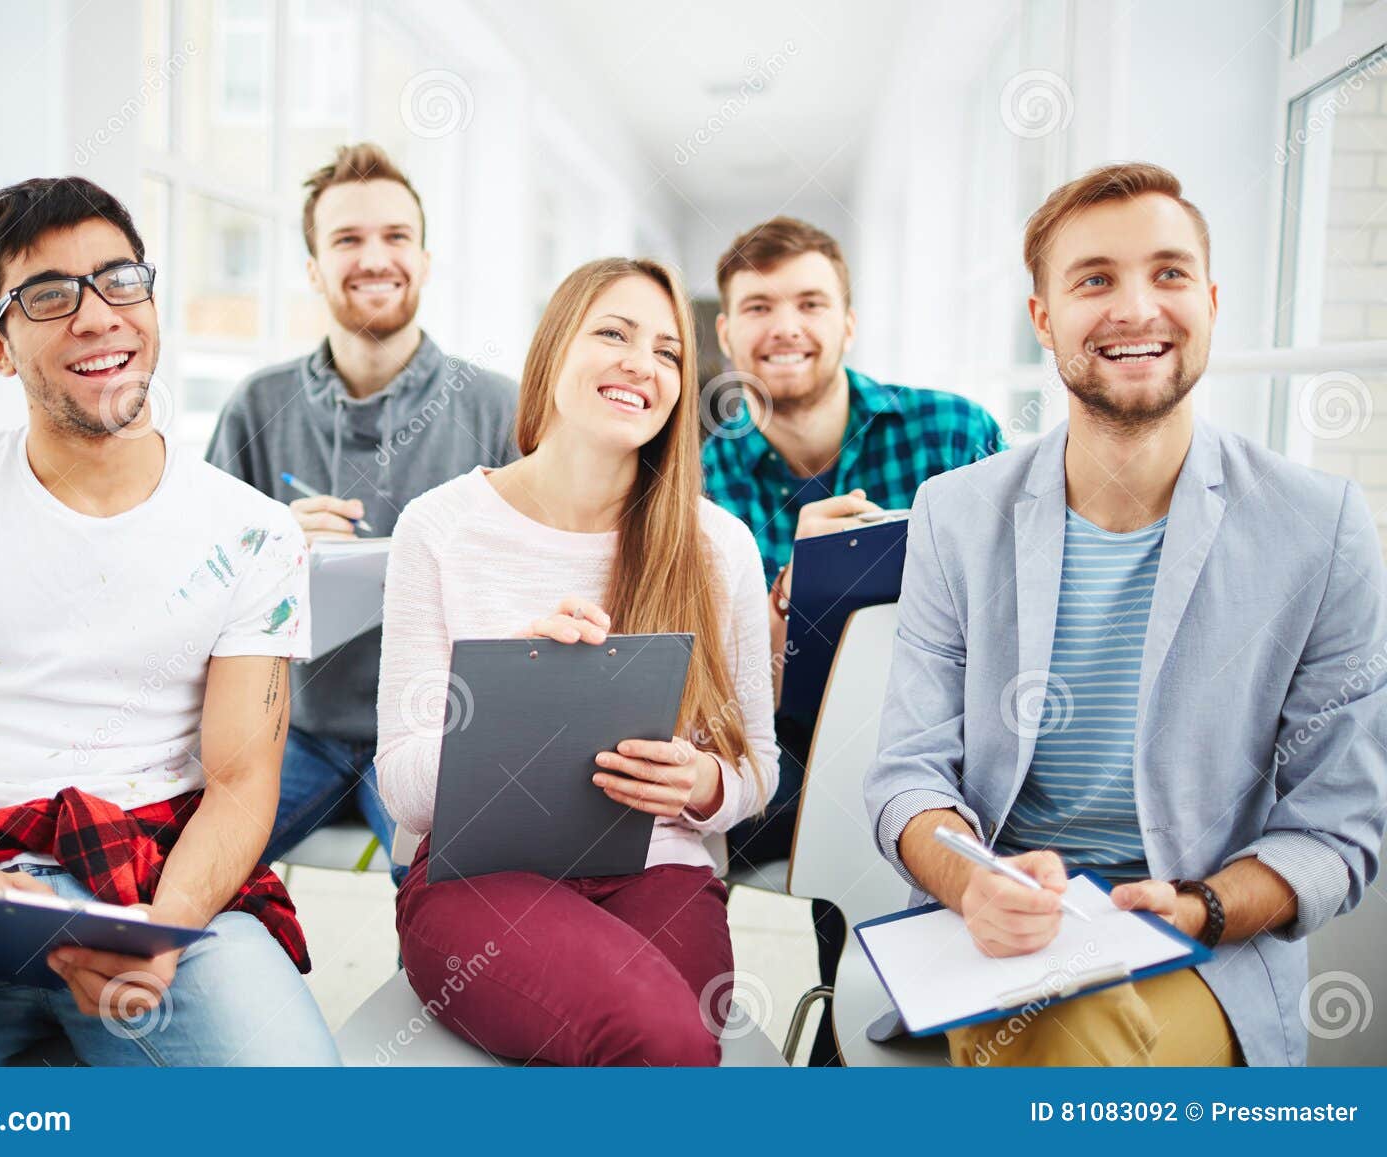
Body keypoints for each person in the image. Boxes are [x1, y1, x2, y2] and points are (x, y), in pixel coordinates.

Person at [0, 177, 337, 1067]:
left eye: (121, 280)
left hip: (159, 880)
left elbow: (241, 779)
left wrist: (161, 934)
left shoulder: (254, 533)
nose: (97, 316)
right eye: (47, 296)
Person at [865, 162, 1387, 1067]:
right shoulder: (955, 513)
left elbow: (1338, 828)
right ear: (1043, 318)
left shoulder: (1322, 527)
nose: (1137, 308)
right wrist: (974, 883)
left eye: (1170, 273)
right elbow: (908, 775)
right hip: (994, 938)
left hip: (1206, 945)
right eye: (1095, 279)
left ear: (1212, 302)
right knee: (1063, 1041)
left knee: (1069, 1048)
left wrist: (1200, 905)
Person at [375, 257, 780, 1065]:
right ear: (553, 352)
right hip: (481, 876)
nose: (643, 363)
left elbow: (755, 770)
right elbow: (403, 789)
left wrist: (700, 784)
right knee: (658, 1040)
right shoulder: (440, 527)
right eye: (615, 333)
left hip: (660, 868)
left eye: (669, 352)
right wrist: (517, 690)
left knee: (680, 1049)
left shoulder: (718, 545)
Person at [701, 215, 1004, 1063]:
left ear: (848, 321)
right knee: (673, 830)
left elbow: (1017, 601)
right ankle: (677, 1045)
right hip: (779, 744)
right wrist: (779, 604)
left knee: (890, 828)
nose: (785, 326)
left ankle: (855, 1050)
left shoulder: (953, 432)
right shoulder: (699, 471)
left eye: (810, 301)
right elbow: (704, 677)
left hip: (939, 736)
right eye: (758, 306)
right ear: (728, 333)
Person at [208, 143, 518, 874]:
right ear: (313, 268)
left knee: (459, 899)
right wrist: (271, 546)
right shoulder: (257, 405)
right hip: (291, 729)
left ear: (426, 259)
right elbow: (197, 588)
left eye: (395, 237)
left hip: (437, 729)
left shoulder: (501, 409)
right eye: (347, 239)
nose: (374, 257)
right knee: (184, 866)